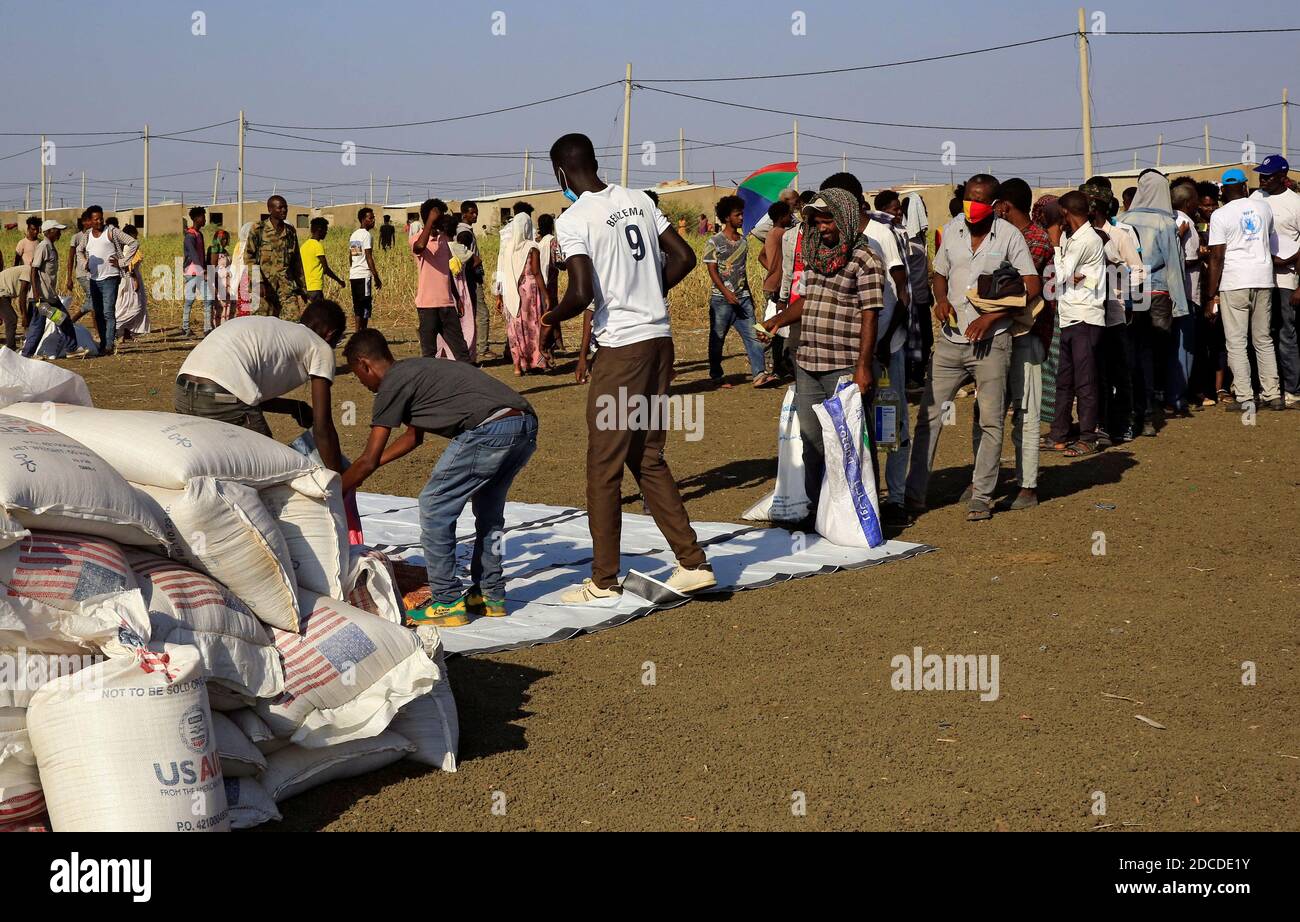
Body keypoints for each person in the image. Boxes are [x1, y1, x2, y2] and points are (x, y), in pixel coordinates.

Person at [542, 131, 714, 603]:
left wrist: (550, 317)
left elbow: (578, 294)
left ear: (561, 173)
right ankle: (693, 562)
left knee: (604, 466)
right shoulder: (638, 199)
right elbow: (685, 255)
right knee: (647, 456)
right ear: (594, 161)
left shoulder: (574, 218)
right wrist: (648, 293)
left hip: (621, 350)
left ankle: (603, 580)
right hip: (659, 341)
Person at [340, 329, 538, 626]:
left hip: (488, 429)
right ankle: (489, 594)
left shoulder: (392, 384)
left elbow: (367, 459)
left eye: (358, 375)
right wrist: (371, 467)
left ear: (365, 364)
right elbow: (411, 438)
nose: (363, 384)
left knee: (434, 505)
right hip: (523, 425)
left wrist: (334, 489)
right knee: (489, 512)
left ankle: (446, 601)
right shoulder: (415, 371)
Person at [904, 173, 1041, 523]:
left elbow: (1032, 285)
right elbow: (940, 272)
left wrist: (993, 317)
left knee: (991, 420)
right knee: (928, 419)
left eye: (979, 200)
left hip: (993, 343)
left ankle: (982, 496)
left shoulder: (1010, 236)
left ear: (994, 205)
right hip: (951, 341)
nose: (971, 205)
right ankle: (913, 495)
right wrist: (939, 300)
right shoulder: (951, 230)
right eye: (968, 198)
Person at [759, 186, 885, 521]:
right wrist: (776, 320)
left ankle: (858, 515)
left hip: (843, 365)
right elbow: (808, 301)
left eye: (827, 219)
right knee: (813, 442)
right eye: (815, 220)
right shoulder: (814, 255)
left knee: (850, 444)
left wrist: (863, 368)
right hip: (808, 363)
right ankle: (818, 511)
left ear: (843, 218)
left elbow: (871, 314)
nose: (821, 227)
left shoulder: (866, 260)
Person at [174, 300, 347, 469]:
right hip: (222, 395)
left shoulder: (277, 331)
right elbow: (323, 426)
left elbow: (243, 392)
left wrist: (294, 407)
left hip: (183, 390)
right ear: (330, 334)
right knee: (269, 467)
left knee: (216, 466)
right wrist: (340, 480)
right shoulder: (320, 346)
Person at [976, 177, 1054, 509]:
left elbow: (1013, 287)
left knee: (1026, 410)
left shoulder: (1035, 240)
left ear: (1004, 207)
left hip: (1025, 334)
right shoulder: (995, 237)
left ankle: (1027, 485)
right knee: (986, 412)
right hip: (994, 336)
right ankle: (983, 483)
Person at [1206, 168, 1283, 411]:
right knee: (1263, 338)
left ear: (1222, 191)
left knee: (1236, 342)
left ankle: (1245, 396)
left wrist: (1211, 294)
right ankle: (1273, 394)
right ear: (1244, 186)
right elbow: (1268, 238)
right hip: (1262, 278)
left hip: (1234, 281)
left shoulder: (1220, 215)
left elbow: (1217, 256)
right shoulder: (1263, 207)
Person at [1119, 170, 1189, 436]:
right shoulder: (1165, 222)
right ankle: (1148, 412)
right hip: (1158, 294)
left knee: (1131, 354)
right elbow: (1174, 265)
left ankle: (1134, 413)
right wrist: (1180, 305)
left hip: (1130, 293)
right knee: (1150, 353)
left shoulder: (1123, 219)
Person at [1044, 191, 1107, 454]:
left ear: (1066, 213)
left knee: (1085, 382)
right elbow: (1068, 277)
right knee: (1065, 381)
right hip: (1070, 317)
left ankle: (1088, 437)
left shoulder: (1086, 240)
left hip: (1085, 318)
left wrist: (1056, 245)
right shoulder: (1075, 238)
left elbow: (1060, 275)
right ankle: (1059, 433)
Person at [704, 194, 773, 387]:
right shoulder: (714, 242)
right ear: (727, 217)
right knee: (717, 339)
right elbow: (712, 270)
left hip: (743, 298)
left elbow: (742, 272)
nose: (741, 218)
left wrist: (748, 296)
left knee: (754, 335)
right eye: (738, 215)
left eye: (742, 214)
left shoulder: (743, 242)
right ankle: (716, 376)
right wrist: (726, 293)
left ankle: (759, 374)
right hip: (721, 300)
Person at [1251, 155, 1300, 405]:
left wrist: (1291, 263)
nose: (1262, 180)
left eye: (1268, 176)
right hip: (1259, 278)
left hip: (1286, 280)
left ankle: (1292, 389)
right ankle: (1267, 388)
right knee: (1261, 334)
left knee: (1286, 333)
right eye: (1261, 175)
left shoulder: (1296, 203)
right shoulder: (1255, 199)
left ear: (1283, 177)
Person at [411, 198, 471, 362]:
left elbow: (447, 270)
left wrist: (457, 297)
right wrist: (430, 221)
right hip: (427, 306)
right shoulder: (416, 238)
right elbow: (419, 247)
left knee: (462, 353)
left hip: (447, 305)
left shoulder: (444, 239)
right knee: (429, 355)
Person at [496, 210, 550, 375]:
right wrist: (546, 294)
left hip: (512, 290)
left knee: (515, 325)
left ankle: (518, 366)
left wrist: (499, 295)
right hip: (530, 291)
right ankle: (535, 360)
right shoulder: (532, 247)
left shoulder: (507, 247)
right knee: (532, 324)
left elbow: (501, 272)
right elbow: (536, 272)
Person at [75, 205, 133, 355]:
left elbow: (133, 243)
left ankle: (108, 345)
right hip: (94, 279)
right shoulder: (87, 235)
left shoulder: (111, 231)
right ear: (90, 221)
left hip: (110, 278)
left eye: (101, 218)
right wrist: (84, 263)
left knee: (108, 312)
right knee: (99, 313)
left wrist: (123, 262)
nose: (99, 221)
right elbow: (78, 250)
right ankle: (103, 343)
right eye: (96, 219)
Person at [20, 220, 82, 358]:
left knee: (63, 320)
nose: (59, 233)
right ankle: (26, 354)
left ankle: (71, 349)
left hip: (50, 297)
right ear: (49, 232)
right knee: (38, 326)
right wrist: (36, 294)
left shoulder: (51, 247)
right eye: (57, 230)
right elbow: (34, 270)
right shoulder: (43, 247)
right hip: (41, 298)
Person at [244, 194, 306, 318]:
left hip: (286, 287)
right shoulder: (258, 229)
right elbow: (249, 258)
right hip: (264, 289)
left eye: (285, 207)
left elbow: (296, 261)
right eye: (280, 208)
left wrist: (303, 288)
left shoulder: (290, 232)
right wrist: (258, 282)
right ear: (270, 209)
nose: (284, 210)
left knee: (294, 321)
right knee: (261, 325)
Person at [758, 200, 794, 378]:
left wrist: (772, 269)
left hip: (771, 282)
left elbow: (761, 256)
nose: (791, 217)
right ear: (781, 217)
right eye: (789, 215)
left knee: (775, 325)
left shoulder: (771, 233)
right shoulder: (783, 234)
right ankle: (770, 363)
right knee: (776, 325)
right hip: (779, 285)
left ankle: (775, 363)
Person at [457, 201, 490, 360]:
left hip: (466, 277)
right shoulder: (465, 232)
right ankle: (482, 347)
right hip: (471, 277)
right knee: (482, 314)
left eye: (476, 212)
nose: (475, 215)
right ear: (464, 214)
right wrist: (477, 261)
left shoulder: (463, 229)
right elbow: (464, 255)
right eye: (472, 213)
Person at [441, 214, 477, 359]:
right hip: (460, 286)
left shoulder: (440, 247)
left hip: (443, 288)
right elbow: (477, 259)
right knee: (465, 322)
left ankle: (445, 353)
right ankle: (465, 353)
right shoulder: (459, 248)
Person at [348, 207, 382, 332]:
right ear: (363, 219)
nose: (373, 220)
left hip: (354, 275)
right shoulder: (366, 235)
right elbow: (368, 256)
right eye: (370, 218)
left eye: (373, 218)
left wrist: (353, 268)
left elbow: (352, 256)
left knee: (357, 305)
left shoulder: (355, 234)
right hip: (364, 275)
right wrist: (376, 276)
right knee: (366, 305)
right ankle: (364, 331)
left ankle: (358, 332)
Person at [536, 213, 565, 361]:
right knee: (551, 314)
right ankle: (551, 346)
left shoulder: (537, 243)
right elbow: (560, 262)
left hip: (538, 284)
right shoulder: (553, 242)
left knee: (542, 313)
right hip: (550, 284)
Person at [114, 224, 149, 341]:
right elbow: (130, 267)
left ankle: (123, 334)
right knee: (135, 307)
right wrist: (135, 280)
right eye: (135, 235)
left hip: (127, 279)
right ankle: (115, 326)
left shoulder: (123, 248)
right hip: (130, 280)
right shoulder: (129, 249)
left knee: (123, 305)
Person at [181, 206, 212, 338]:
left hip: (198, 271)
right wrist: (202, 270)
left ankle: (205, 328)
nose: (204, 219)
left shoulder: (199, 234)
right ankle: (187, 327)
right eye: (203, 217)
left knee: (205, 299)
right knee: (192, 300)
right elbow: (193, 255)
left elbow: (201, 254)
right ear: (196, 219)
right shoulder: (190, 236)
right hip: (193, 272)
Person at [300, 217, 343, 305]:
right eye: (326, 230)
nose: (326, 233)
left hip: (306, 288)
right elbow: (326, 269)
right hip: (315, 287)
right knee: (320, 315)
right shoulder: (317, 246)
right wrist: (339, 281)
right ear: (320, 230)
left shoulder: (304, 246)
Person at [64, 213, 92, 310]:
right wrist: (69, 278)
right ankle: (75, 318)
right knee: (92, 297)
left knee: (92, 299)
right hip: (82, 273)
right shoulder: (76, 237)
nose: (92, 223)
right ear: (83, 222)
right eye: (89, 220)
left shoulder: (94, 236)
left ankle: (97, 323)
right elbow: (71, 258)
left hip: (93, 273)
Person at [207, 227, 234, 328]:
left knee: (226, 305)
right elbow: (212, 268)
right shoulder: (214, 250)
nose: (225, 241)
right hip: (218, 282)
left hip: (227, 282)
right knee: (219, 306)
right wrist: (214, 284)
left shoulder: (225, 251)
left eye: (226, 239)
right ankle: (217, 327)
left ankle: (225, 326)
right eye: (222, 239)